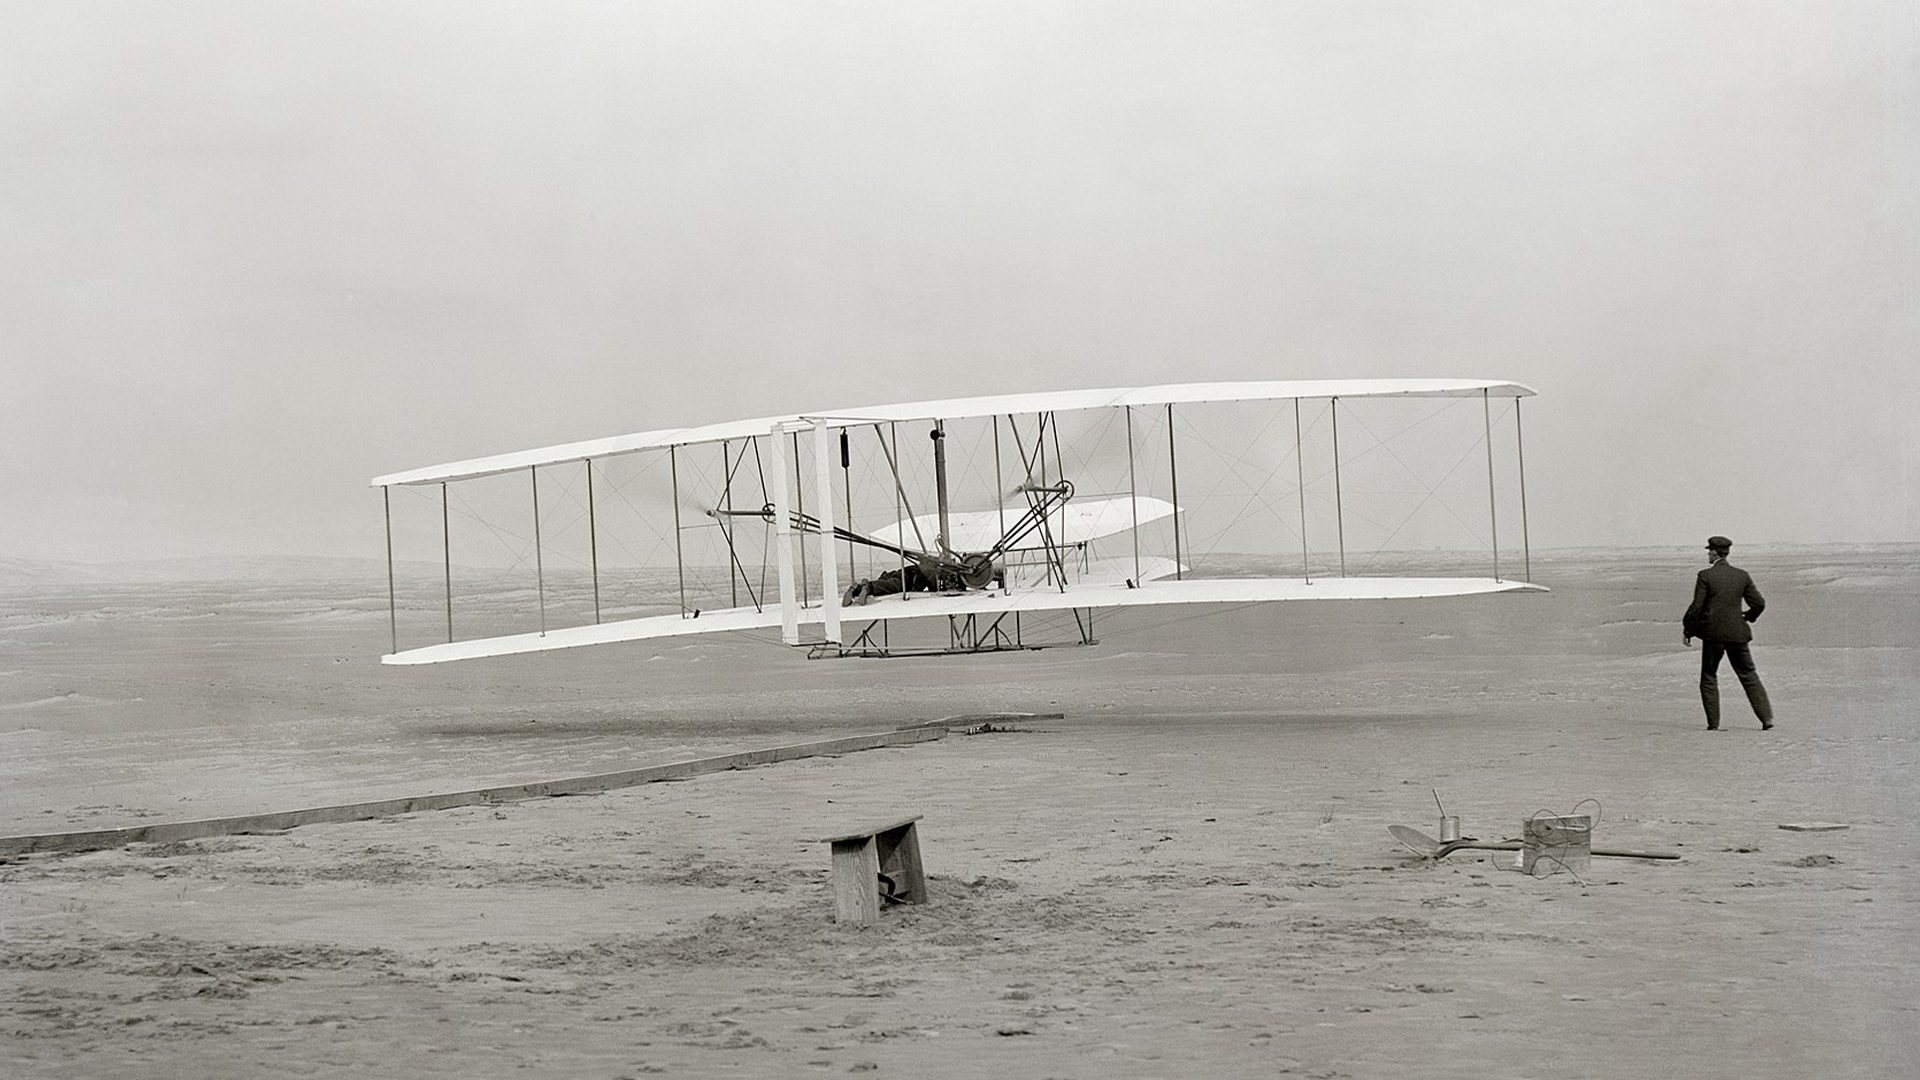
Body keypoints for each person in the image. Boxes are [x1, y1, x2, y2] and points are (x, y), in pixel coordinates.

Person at [1682, 535, 1774, 731]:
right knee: (1748, 674)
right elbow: (1759, 603)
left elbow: (1697, 607)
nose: (1708, 553)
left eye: (1709, 550)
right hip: (1737, 633)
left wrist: (1688, 629)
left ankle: (1713, 725)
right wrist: (1748, 617)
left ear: (1715, 552)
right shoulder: (1742, 575)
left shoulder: (1705, 576)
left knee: (1709, 676)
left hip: (1713, 635)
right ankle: (1767, 719)